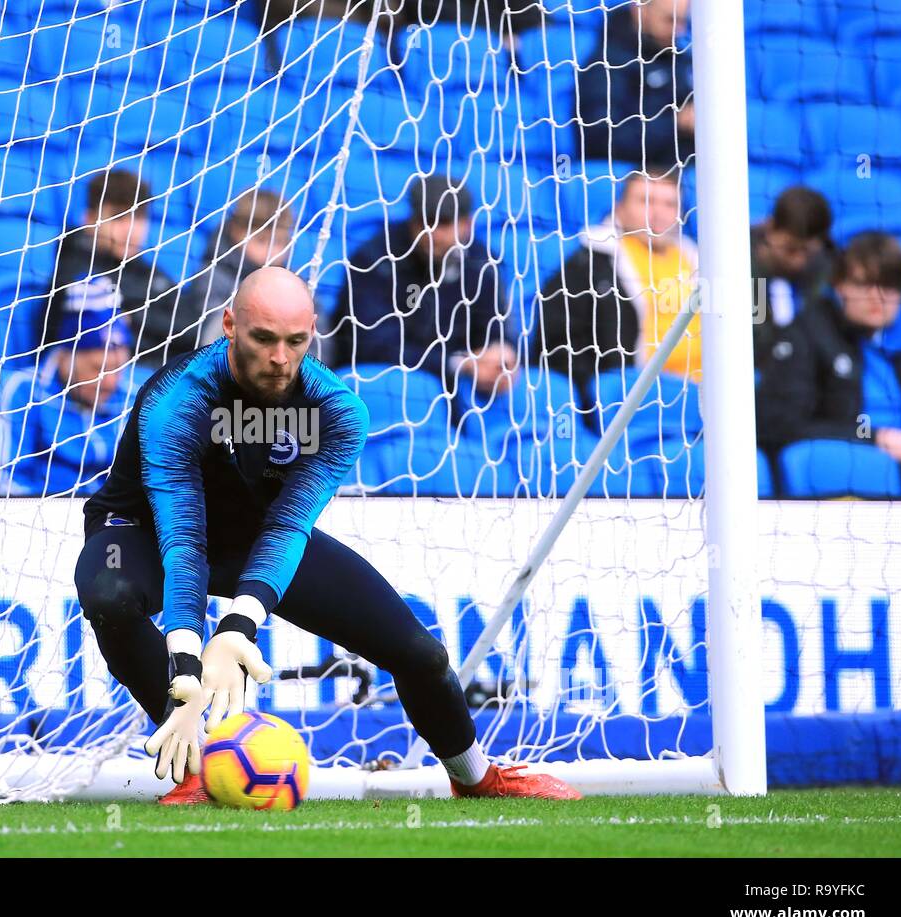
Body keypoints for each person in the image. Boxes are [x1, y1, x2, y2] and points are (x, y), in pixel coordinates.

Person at [73, 265, 581, 803]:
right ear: (228, 324)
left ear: (313, 332)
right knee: (109, 594)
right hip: (142, 530)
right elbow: (184, 538)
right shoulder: (176, 399)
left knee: (422, 656)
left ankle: (477, 777)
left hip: (257, 538)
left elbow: (289, 524)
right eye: (263, 339)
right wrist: (187, 665)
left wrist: (240, 624)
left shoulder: (337, 411)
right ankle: (195, 761)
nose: (279, 358)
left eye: (295, 341)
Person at [328, 174, 514, 398]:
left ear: (466, 224)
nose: (432, 234)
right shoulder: (374, 260)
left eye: (443, 223)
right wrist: (458, 363)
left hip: (455, 388)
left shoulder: (482, 262)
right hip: (380, 388)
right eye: (425, 222)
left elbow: (496, 328)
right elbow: (372, 346)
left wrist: (500, 355)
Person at [537, 167, 700, 401]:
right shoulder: (590, 262)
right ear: (619, 208)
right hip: (639, 397)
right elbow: (560, 341)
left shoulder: (696, 258)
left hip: (707, 389)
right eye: (646, 201)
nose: (658, 213)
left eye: (669, 204)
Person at [756, 231, 901, 466]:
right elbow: (779, 425)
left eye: (888, 286)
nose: (877, 297)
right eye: (864, 284)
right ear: (840, 285)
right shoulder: (806, 335)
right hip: (840, 476)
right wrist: (875, 438)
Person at [0, 277, 139, 497]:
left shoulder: (134, 397)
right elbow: (2, 480)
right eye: (98, 369)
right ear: (67, 357)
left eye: (118, 368)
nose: (110, 381)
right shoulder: (24, 392)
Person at [43, 169, 180, 369]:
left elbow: (191, 322)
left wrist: (135, 317)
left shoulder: (144, 269)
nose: (131, 229)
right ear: (90, 220)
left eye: (139, 217)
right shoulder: (73, 273)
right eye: (119, 217)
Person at [580, 0, 694, 169]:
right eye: (670, 20)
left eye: (684, 22)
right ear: (639, 11)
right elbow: (602, 140)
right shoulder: (608, 64)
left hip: (681, 175)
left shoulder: (680, 59)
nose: (680, 31)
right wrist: (676, 122)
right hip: (638, 178)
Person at [175, 188, 293, 349]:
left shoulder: (292, 282)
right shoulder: (212, 277)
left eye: (279, 242)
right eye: (261, 240)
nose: (272, 251)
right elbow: (213, 334)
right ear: (236, 232)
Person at [751, 186, 834, 369]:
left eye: (807, 251)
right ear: (771, 228)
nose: (798, 261)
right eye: (790, 249)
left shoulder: (825, 268)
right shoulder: (738, 264)